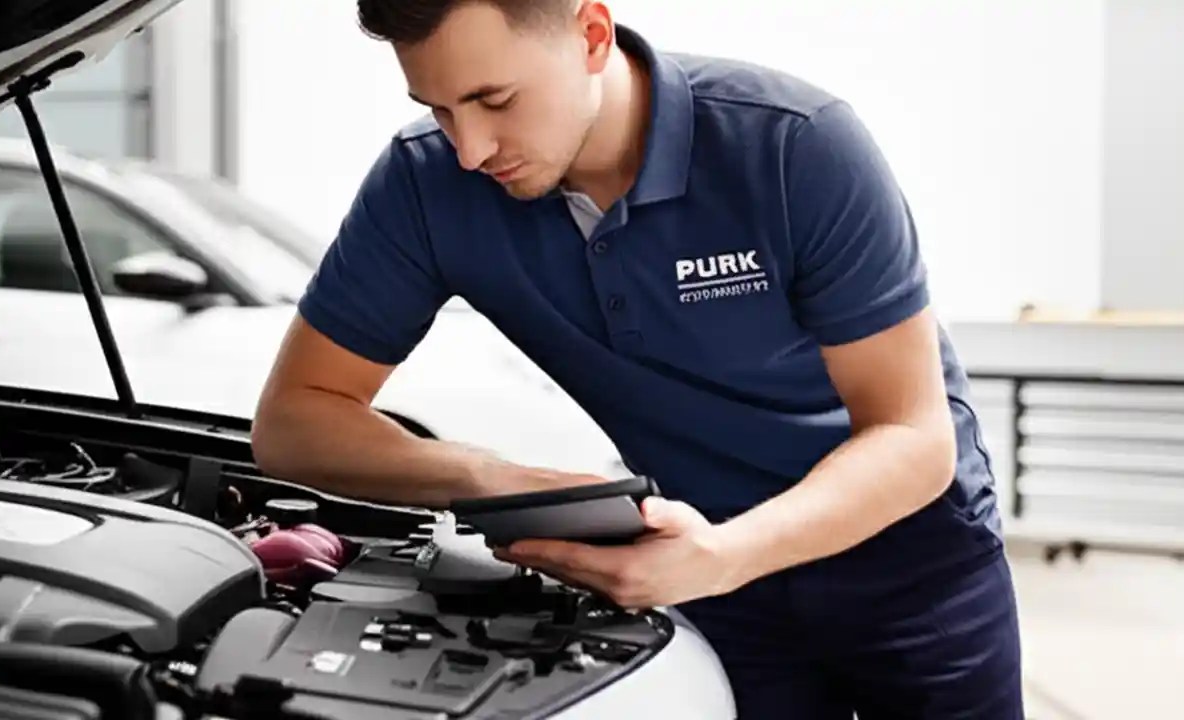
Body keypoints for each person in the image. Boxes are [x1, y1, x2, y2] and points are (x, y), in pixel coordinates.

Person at [251, 1, 1024, 717]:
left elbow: (914, 438)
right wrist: (494, 480)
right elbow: (294, 421)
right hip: (700, 573)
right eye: (439, 110)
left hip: (911, 562)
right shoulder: (425, 185)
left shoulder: (795, 143)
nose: (470, 149)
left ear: (592, 33)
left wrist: (726, 556)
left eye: (495, 100)